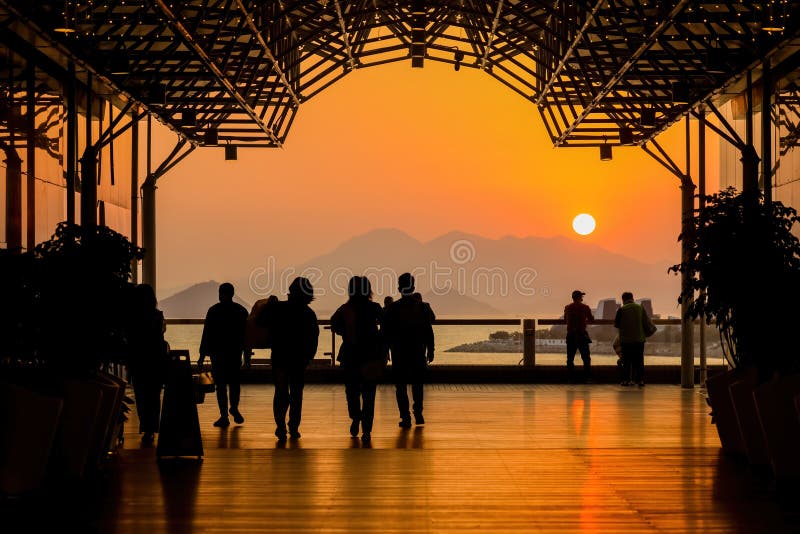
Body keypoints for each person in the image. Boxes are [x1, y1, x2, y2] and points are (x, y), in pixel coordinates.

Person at [263, 277, 319, 441]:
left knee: (281, 391)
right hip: (299, 359)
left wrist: (269, 305)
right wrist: (309, 356)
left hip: (280, 356)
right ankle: (293, 426)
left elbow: (261, 321)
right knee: (296, 393)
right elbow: (313, 338)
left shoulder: (278, 308)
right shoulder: (309, 313)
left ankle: (280, 425)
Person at [331, 276, 385, 442]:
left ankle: (355, 417)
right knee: (369, 394)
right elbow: (386, 325)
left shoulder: (345, 309)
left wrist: (345, 332)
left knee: (352, 391)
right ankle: (366, 429)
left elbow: (334, 324)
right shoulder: (374, 308)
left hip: (351, 355)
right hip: (370, 355)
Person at [383, 273, 435, 428]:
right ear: (413, 287)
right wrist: (431, 349)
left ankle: (405, 417)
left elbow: (386, 332)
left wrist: (385, 350)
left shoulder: (392, 308)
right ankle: (418, 412)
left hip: (399, 352)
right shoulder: (423, 307)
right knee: (417, 384)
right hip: (418, 351)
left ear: (399, 288)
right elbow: (429, 329)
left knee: (400, 386)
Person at [198, 282, 249, 428]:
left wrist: (202, 356)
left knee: (220, 386)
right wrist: (247, 358)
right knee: (234, 384)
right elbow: (247, 337)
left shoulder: (213, 311)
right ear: (232, 294)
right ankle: (234, 407)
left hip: (218, 354)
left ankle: (224, 416)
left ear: (220, 294)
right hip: (234, 353)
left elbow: (206, 335)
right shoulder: (241, 311)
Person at [127, 283, 168, 445]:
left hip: (138, 361)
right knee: (153, 396)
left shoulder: (132, 317)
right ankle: (151, 428)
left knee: (141, 396)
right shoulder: (157, 316)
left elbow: (130, 340)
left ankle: (146, 427)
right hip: (155, 361)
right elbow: (159, 336)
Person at [614, 291, 652, 387]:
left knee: (626, 361)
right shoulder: (640, 308)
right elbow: (646, 322)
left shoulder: (621, 309)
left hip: (625, 340)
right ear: (632, 298)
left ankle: (626, 380)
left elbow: (617, 324)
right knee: (639, 361)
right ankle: (640, 380)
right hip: (639, 339)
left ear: (623, 300)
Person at [564, 290, 594, 383]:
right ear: (580, 298)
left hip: (571, 335)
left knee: (570, 358)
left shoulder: (567, 307)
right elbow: (591, 319)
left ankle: (570, 378)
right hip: (582, 335)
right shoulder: (585, 307)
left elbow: (565, 319)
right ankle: (587, 378)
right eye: (581, 296)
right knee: (586, 358)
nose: (582, 298)